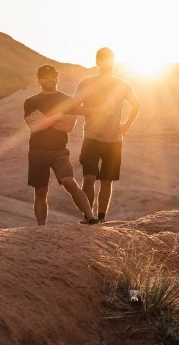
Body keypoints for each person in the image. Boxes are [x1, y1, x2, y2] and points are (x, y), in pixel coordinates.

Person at [24, 65, 98, 226]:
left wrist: (45, 119)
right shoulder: (30, 102)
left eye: (53, 76)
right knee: (40, 190)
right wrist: (58, 116)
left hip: (59, 151)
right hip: (37, 151)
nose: (50, 79)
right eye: (45, 77)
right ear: (39, 80)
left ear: (57, 78)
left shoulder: (66, 100)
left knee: (69, 182)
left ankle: (90, 217)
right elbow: (34, 126)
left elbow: (68, 126)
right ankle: (41, 227)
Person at [75, 47, 141, 222]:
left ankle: (102, 217)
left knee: (106, 181)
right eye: (103, 59)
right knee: (89, 178)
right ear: (97, 62)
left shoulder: (122, 84)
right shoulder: (87, 82)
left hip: (113, 139)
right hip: (91, 136)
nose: (106, 62)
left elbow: (136, 104)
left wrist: (126, 125)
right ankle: (89, 217)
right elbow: (74, 107)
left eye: (109, 59)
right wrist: (94, 111)